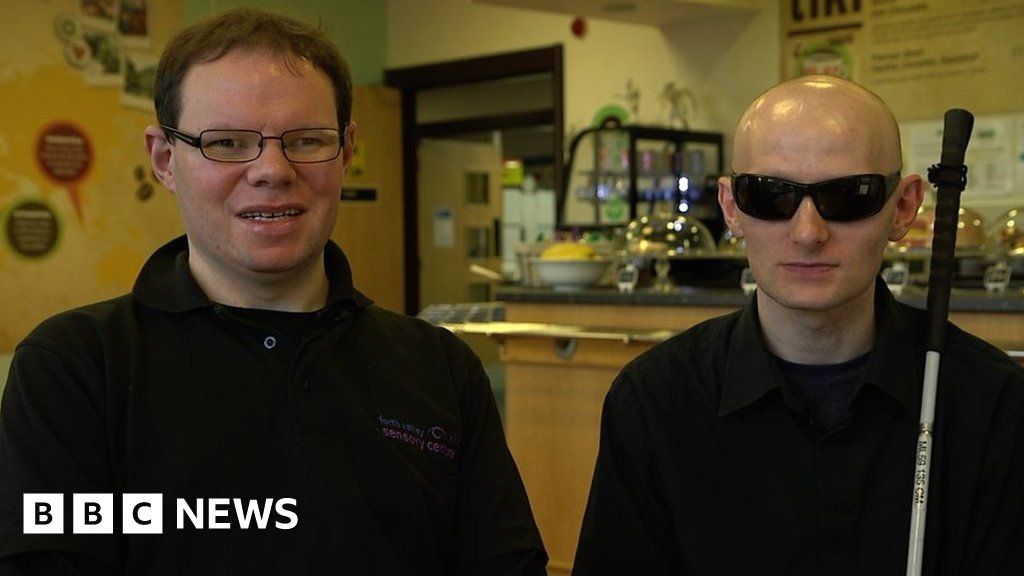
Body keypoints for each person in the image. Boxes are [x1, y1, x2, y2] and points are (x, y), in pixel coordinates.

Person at [0, 8, 546, 575]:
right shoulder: (75, 370)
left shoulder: (441, 371)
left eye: (306, 139)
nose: (272, 170)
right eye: (229, 142)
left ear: (347, 151)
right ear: (165, 159)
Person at [573, 75, 1024, 575]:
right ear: (732, 207)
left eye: (849, 195)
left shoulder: (991, 404)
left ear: (903, 207)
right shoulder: (655, 402)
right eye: (770, 195)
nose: (808, 233)